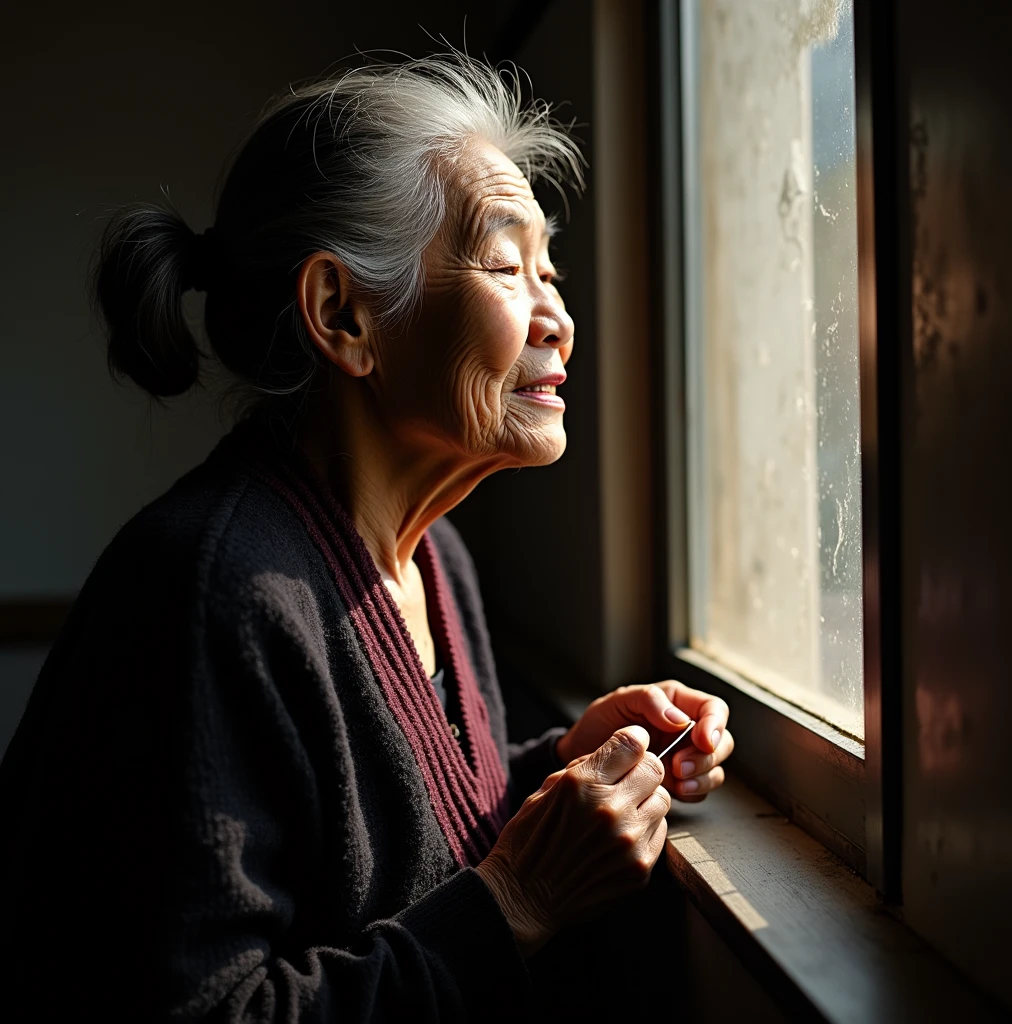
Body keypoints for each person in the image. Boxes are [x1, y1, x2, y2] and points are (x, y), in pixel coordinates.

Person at [0, 53, 733, 1021]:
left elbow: (374, 847)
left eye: (548, 271)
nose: (556, 317)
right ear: (344, 315)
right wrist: (517, 900)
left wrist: (554, 770)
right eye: (508, 267)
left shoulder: (433, 556)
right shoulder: (214, 589)